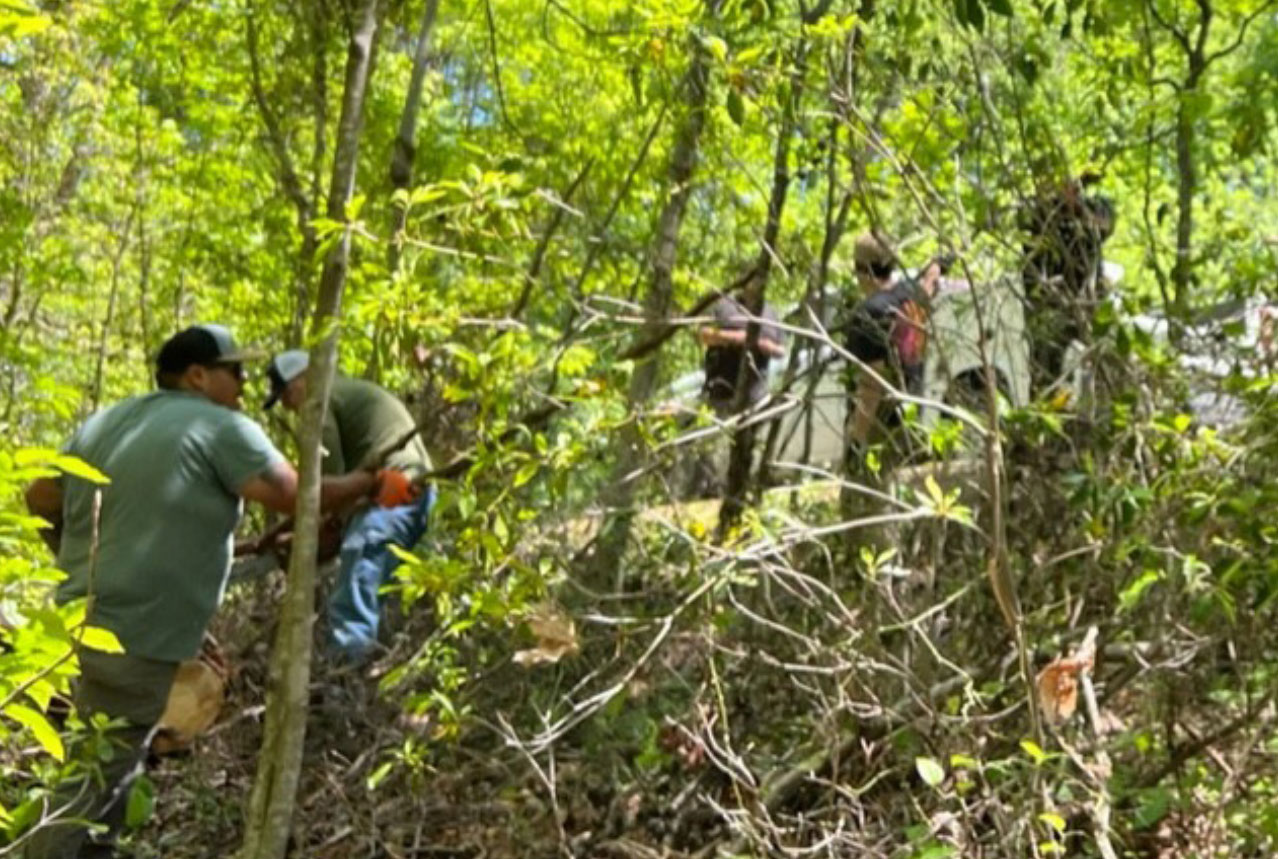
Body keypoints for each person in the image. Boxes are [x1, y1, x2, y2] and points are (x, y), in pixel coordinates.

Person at [22, 324, 377, 859]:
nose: (243, 382)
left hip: (71, 629)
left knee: (102, 773)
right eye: (235, 371)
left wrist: (81, 568)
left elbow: (39, 496)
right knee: (92, 790)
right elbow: (300, 496)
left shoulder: (107, 421)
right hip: (132, 638)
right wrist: (371, 483)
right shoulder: (222, 427)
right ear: (197, 376)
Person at [264, 350, 434, 664]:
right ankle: (363, 672)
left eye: (287, 393)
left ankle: (344, 684)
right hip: (411, 490)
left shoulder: (322, 401)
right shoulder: (351, 392)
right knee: (367, 584)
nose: (288, 405)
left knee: (356, 579)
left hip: (392, 491)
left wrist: (315, 530)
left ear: (307, 378)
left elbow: (327, 486)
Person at [698, 293, 786, 416]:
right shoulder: (723, 304)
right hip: (722, 393)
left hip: (756, 397)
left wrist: (763, 345)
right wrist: (739, 338)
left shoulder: (770, 312)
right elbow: (704, 335)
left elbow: (781, 350)